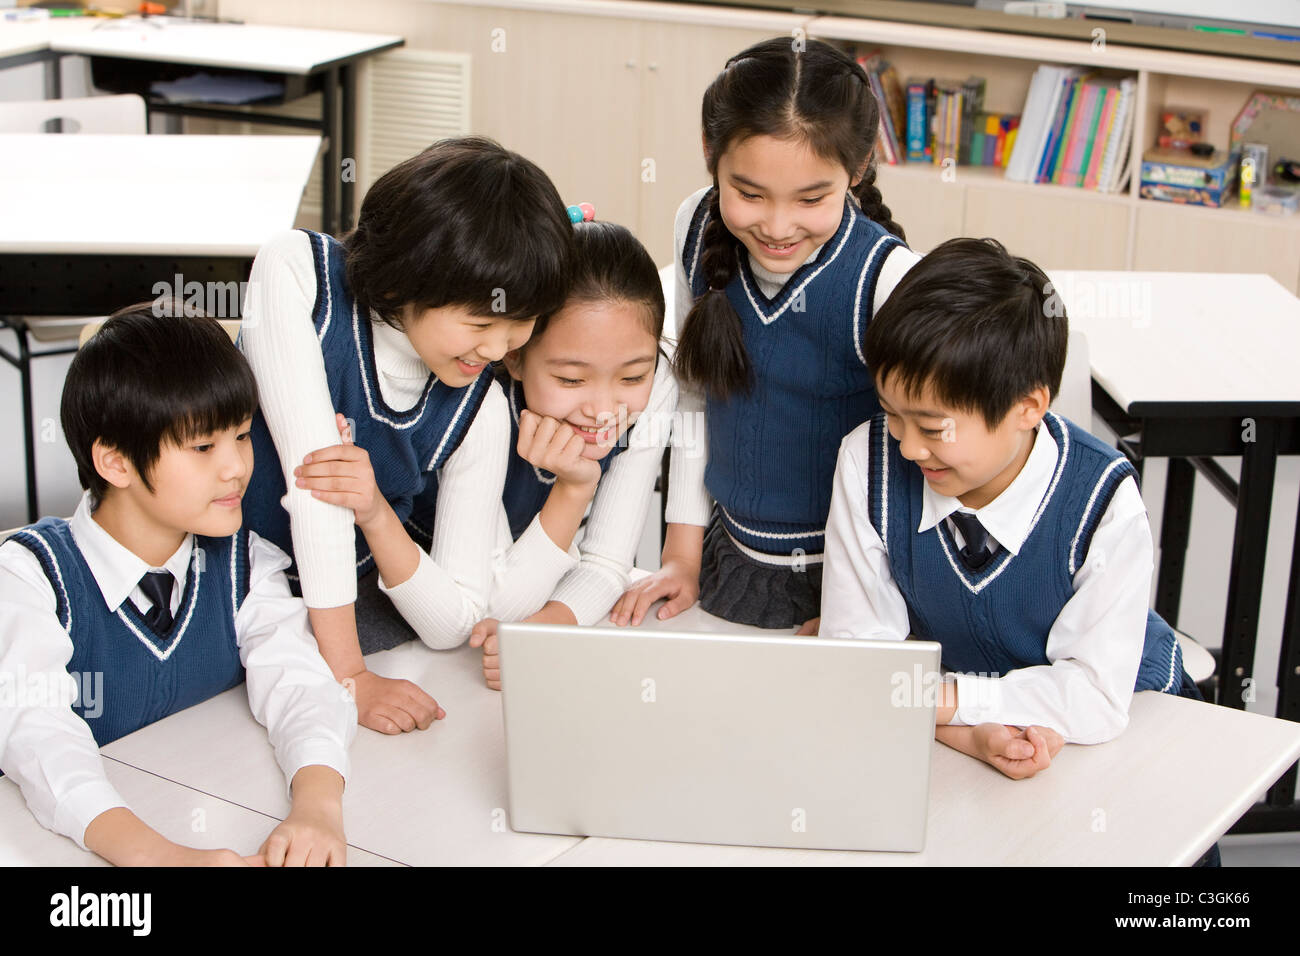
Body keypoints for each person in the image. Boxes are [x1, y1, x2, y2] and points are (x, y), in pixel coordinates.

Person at [820, 237, 1197, 781]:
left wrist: (940, 699)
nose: (905, 447)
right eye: (892, 414)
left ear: (1028, 407)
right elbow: (860, 666)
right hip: (980, 734)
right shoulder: (866, 460)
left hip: (1132, 724)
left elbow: (1093, 696)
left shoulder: (1103, 500)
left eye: (932, 427)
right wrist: (969, 731)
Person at [239, 137, 574, 735]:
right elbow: (316, 490)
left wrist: (374, 513)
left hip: (345, 612)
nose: (499, 351)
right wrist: (350, 677)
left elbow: (454, 623)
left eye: (520, 324)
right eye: (480, 323)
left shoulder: (482, 408)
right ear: (402, 284)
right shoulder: (296, 273)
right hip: (226, 591)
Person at [0, 305, 355, 865]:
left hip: (211, 791)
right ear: (115, 462)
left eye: (241, 435)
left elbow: (300, 688)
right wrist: (163, 859)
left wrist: (317, 810)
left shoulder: (247, 562)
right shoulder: (30, 577)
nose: (237, 466)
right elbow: (39, 740)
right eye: (203, 447)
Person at [612, 36, 919, 631]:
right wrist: (681, 553)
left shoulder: (888, 279)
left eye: (812, 198)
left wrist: (860, 610)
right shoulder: (693, 223)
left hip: (854, 580)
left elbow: (923, 459)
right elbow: (697, 393)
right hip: (729, 557)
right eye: (749, 194)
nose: (778, 226)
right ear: (710, 152)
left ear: (856, 171)